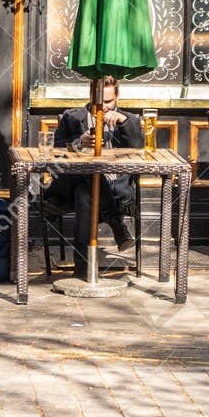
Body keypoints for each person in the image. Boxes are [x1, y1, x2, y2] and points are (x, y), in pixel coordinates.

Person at [39, 77, 144, 276]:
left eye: (109, 102)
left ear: (117, 97)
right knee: (86, 178)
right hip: (74, 181)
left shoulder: (128, 119)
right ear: (91, 96)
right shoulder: (72, 117)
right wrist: (78, 142)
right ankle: (117, 225)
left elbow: (140, 148)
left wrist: (124, 121)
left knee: (84, 192)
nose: (104, 107)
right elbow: (56, 151)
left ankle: (82, 268)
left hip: (115, 188)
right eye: (100, 102)